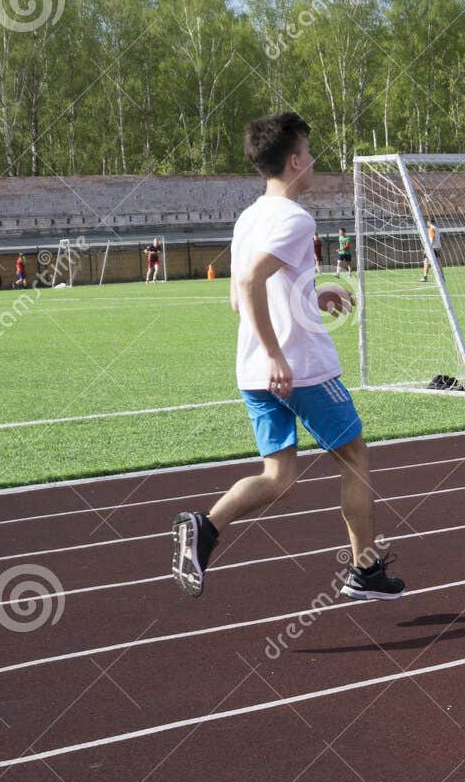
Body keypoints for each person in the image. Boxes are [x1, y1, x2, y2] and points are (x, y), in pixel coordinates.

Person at [171, 110, 403, 602]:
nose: (314, 163)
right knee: (356, 458)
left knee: (278, 477)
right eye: (311, 154)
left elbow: (239, 296)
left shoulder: (248, 217)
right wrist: (279, 354)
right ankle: (365, 571)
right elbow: (252, 282)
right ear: (295, 160)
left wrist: (307, 297)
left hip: (252, 369)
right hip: (298, 367)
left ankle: (206, 527)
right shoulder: (296, 218)